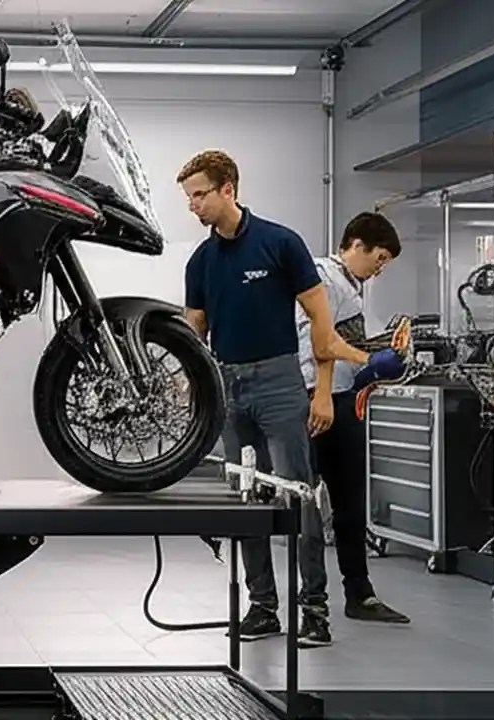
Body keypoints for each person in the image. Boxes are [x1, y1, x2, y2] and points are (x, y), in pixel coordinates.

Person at [178, 150, 405, 649]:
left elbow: (322, 327)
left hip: (281, 383)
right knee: (246, 501)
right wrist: (190, 379)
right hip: (229, 386)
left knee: (298, 497)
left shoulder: (280, 243)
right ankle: (262, 606)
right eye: (189, 197)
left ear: (228, 190)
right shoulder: (200, 262)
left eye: (199, 195)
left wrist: (322, 393)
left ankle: (315, 611)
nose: (192, 205)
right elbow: (195, 329)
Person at [295, 211, 411, 624]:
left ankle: (359, 593)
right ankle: (311, 600)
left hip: (341, 398)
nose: (380, 269)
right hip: (316, 399)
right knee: (308, 503)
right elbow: (321, 342)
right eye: (379, 259)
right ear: (357, 245)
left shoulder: (349, 285)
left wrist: (380, 354)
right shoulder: (324, 278)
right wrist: (367, 360)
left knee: (350, 501)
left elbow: (341, 341)